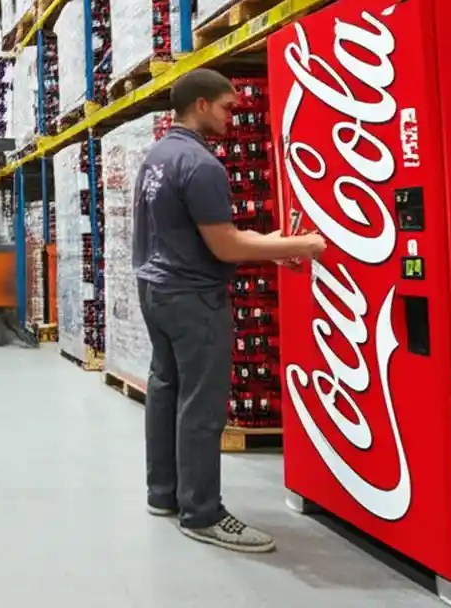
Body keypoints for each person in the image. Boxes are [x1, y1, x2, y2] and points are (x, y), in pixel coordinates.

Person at [131, 68, 326, 553]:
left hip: (156, 290)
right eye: (226, 107)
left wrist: (270, 244)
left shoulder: (157, 157)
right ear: (201, 105)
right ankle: (202, 513)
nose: (232, 118)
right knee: (202, 402)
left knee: (166, 388)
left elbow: (196, 233)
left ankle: (165, 494)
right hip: (193, 298)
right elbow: (223, 245)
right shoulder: (202, 166)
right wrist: (303, 243)